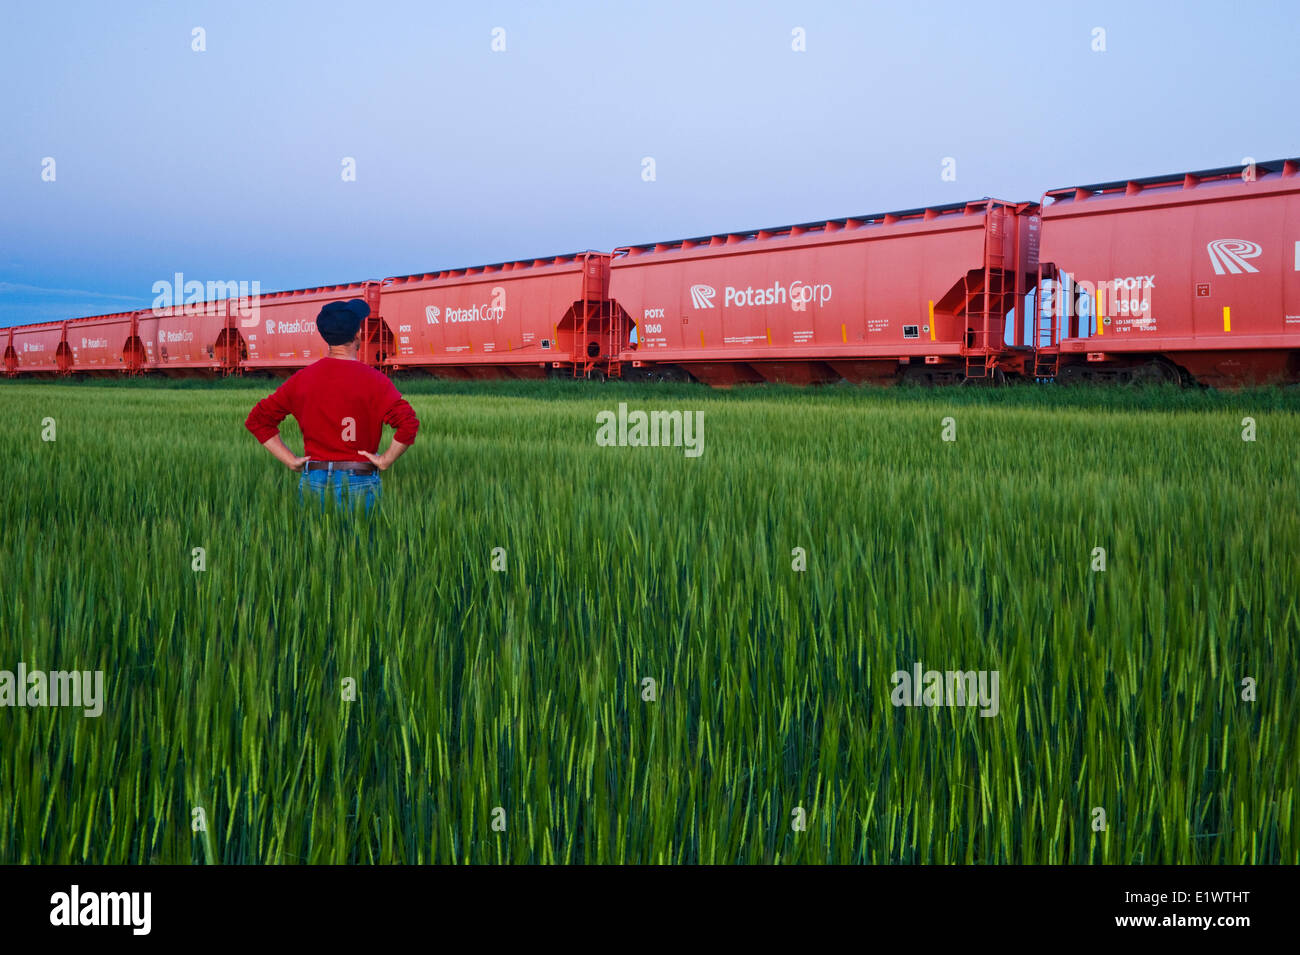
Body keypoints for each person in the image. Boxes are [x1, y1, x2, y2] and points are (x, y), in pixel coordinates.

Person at [244, 299, 419, 512]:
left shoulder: (302, 379)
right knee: (360, 545)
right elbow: (408, 424)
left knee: (317, 546)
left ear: (326, 337)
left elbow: (258, 420)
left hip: (313, 480)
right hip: (359, 480)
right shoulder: (374, 380)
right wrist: (384, 460)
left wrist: (290, 460)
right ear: (358, 335)